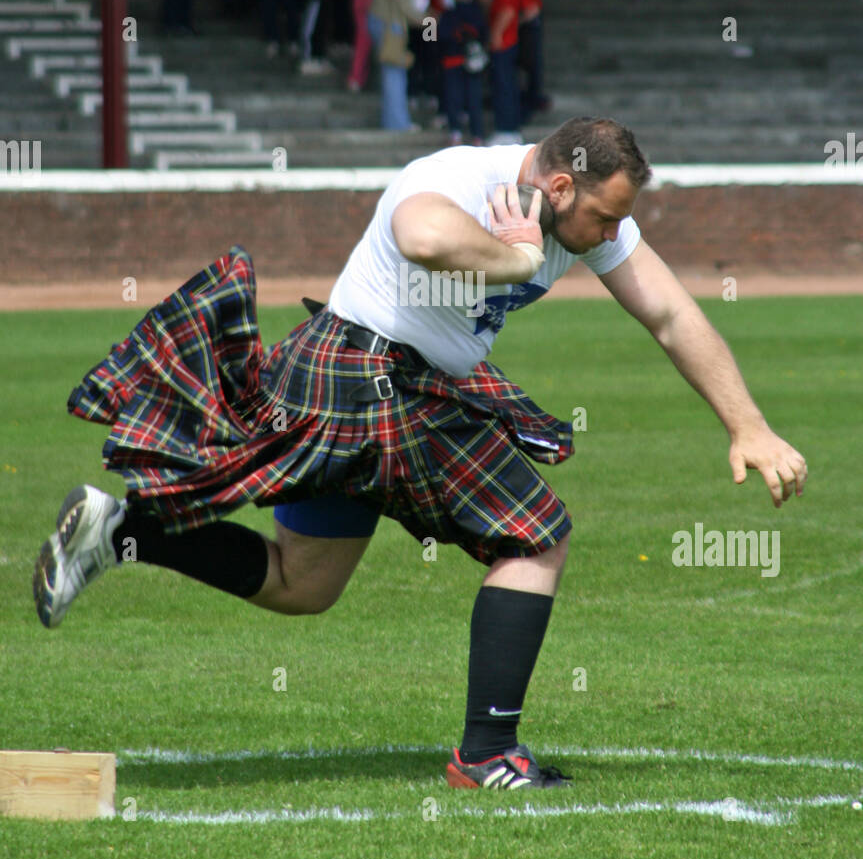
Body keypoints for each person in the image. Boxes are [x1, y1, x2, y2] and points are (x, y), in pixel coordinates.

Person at [33, 117, 808, 792]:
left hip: (356, 377)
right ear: (561, 185)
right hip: (376, 378)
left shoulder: (587, 220)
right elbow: (422, 236)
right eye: (604, 217)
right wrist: (510, 258)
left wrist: (747, 425)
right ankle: (488, 754)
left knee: (300, 584)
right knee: (535, 537)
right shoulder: (456, 177)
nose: (611, 236)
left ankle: (122, 530)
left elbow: (671, 314)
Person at [368, 0, 433, 129]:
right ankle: (398, 124)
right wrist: (428, 21)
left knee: (391, 75)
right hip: (391, 26)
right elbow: (406, 5)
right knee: (395, 76)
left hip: (381, 21)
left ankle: (392, 122)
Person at [495, 0, 558, 119]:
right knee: (512, 58)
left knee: (533, 59)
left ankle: (532, 96)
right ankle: (515, 97)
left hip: (530, 14)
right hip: (511, 11)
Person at [437, 0, 488, 145]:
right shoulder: (478, 13)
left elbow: (433, 37)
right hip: (473, 62)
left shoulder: (447, 13)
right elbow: (484, 35)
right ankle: (477, 135)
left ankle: (455, 132)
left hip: (452, 61)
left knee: (453, 97)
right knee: (473, 99)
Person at [481, 0, 523, 144]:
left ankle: (505, 129)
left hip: (504, 45)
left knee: (503, 86)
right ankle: (509, 128)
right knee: (506, 86)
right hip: (508, 44)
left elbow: (507, 13)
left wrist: (496, 34)